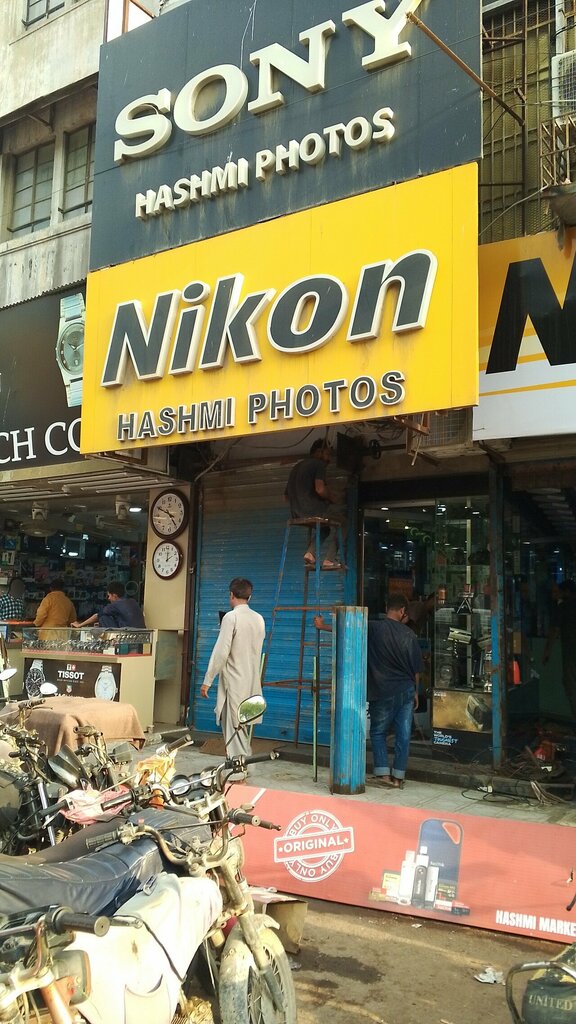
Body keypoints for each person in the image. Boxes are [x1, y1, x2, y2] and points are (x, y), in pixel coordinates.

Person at [200, 577, 265, 758]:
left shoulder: (231, 617)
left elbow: (221, 652)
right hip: (251, 683)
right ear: (249, 597)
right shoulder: (259, 619)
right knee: (241, 728)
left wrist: (207, 681)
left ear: (231, 595)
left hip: (234, 683)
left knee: (233, 728)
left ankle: (238, 771)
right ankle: (241, 768)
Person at [366, 592, 423, 788]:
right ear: (401, 611)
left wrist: (323, 626)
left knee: (378, 732)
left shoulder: (374, 628)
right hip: (406, 690)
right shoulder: (409, 635)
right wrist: (416, 691)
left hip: (382, 689)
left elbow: (348, 628)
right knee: (403, 734)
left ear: (387, 609)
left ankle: (383, 774)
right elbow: (416, 669)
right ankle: (398, 777)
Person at [284, 438, 343, 568]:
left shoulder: (296, 467)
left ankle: (310, 553)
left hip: (297, 514)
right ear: (319, 452)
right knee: (345, 522)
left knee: (325, 529)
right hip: (315, 510)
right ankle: (329, 559)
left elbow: (286, 496)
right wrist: (331, 497)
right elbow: (320, 489)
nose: (329, 460)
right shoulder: (319, 464)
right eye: (327, 455)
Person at [542, 579, 576, 716]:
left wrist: (546, 651)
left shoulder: (564, 607)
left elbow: (554, 630)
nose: (553, 595)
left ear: (566, 592)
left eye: (557, 592)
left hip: (571, 653)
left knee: (571, 685)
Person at [72, 581, 145, 629]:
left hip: (127, 635)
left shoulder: (116, 604)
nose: (108, 598)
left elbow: (97, 616)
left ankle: (112, 644)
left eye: (109, 595)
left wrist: (80, 625)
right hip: (142, 633)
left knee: (103, 617)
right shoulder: (133, 601)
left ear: (115, 595)